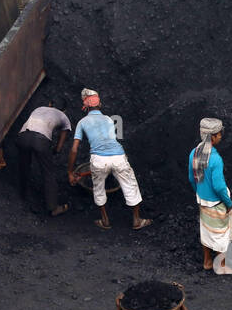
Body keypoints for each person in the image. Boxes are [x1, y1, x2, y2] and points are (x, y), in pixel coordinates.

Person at [65, 88, 151, 230]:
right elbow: (111, 140)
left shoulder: (82, 122)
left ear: (85, 106)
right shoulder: (109, 120)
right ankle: (137, 220)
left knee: (98, 189)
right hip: (118, 157)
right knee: (131, 186)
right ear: (99, 104)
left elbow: (74, 149)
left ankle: (105, 220)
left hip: (98, 160)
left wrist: (70, 171)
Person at [188, 117, 232, 273]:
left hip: (202, 200)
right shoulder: (215, 159)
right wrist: (228, 203)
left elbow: (191, 178)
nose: (221, 136)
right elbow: (219, 186)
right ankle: (221, 266)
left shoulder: (194, 153)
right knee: (220, 234)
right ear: (213, 137)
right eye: (219, 134)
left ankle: (207, 262)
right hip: (216, 202)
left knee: (207, 230)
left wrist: (200, 192)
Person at [17, 103, 72, 216]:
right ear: (64, 110)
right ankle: (53, 208)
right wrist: (55, 150)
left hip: (22, 137)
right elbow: (60, 143)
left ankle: (22, 196)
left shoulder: (39, 108)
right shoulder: (63, 116)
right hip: (40, 140)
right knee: (48, 173)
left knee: (24, 167)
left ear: (50, 105)